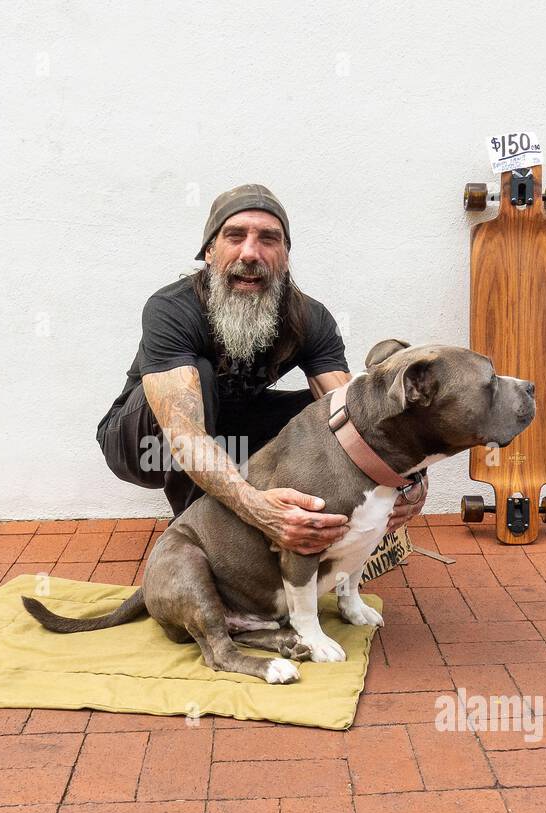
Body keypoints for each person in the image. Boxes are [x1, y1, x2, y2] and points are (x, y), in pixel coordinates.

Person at [96, 183, 425, 557]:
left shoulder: (310, 318)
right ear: (209, 251)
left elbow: (352, 417)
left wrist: (407, 482)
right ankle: (193, 537)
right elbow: (185, 436)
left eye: (269, 239)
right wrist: (259, 511)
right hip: (142, 447)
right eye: (235, 236)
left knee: (325, 411)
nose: (250, 253)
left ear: (285, 255)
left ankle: (316, 521)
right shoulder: (172, 308)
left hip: (231, 437)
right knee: (199, 378)